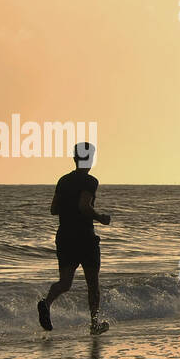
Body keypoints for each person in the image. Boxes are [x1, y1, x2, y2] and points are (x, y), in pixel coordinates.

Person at [38, 142, 111, 334]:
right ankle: (94, 324)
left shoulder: (63, 180)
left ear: (74, 158)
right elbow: (84, 206)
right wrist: (101, 218)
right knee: (92, 283)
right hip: (84, 237)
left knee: (65, 283)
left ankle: (46, 303)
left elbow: (53, 209)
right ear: (91, 159)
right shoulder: (90, 181)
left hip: (65, 236)